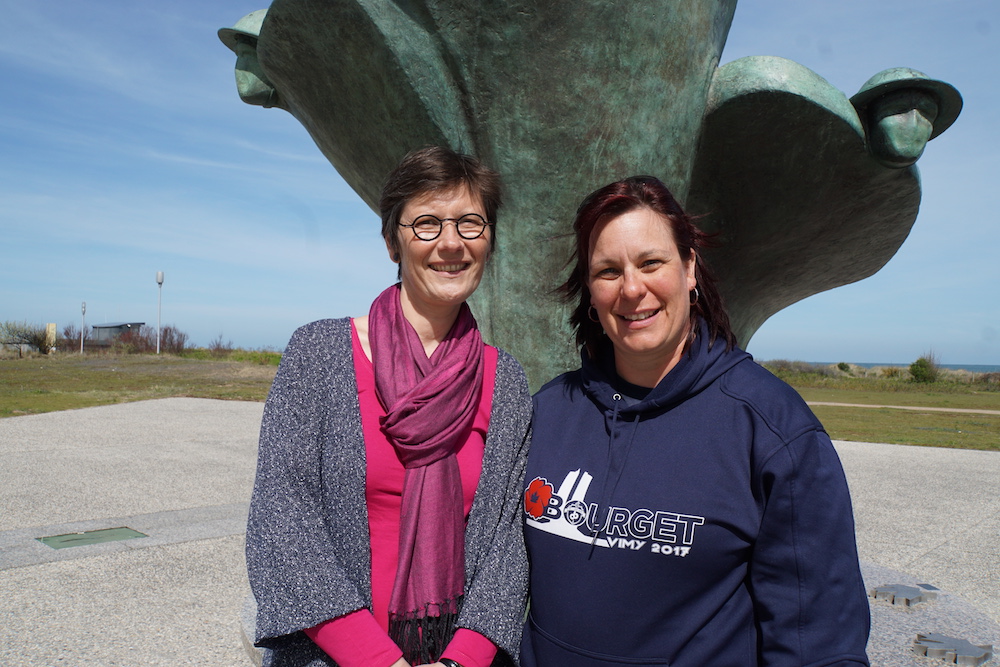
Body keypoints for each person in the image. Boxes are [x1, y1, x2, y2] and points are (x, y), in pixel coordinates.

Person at [520, 176, 870, 667]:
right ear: (590, 293)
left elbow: (819, 645)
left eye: (650, 263)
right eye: (607, 271)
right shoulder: (548, 412)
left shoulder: (772, 429)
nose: (632, 288)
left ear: (689, 269)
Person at [247, 146, 532, 667]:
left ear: (490, 240)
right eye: (426, 223)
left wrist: (460, 660)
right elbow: (284, 522)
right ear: (391, 242)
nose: (451, 243)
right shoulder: (320, 355)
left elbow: (507, 544)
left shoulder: (505, 379)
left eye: (471, 223)